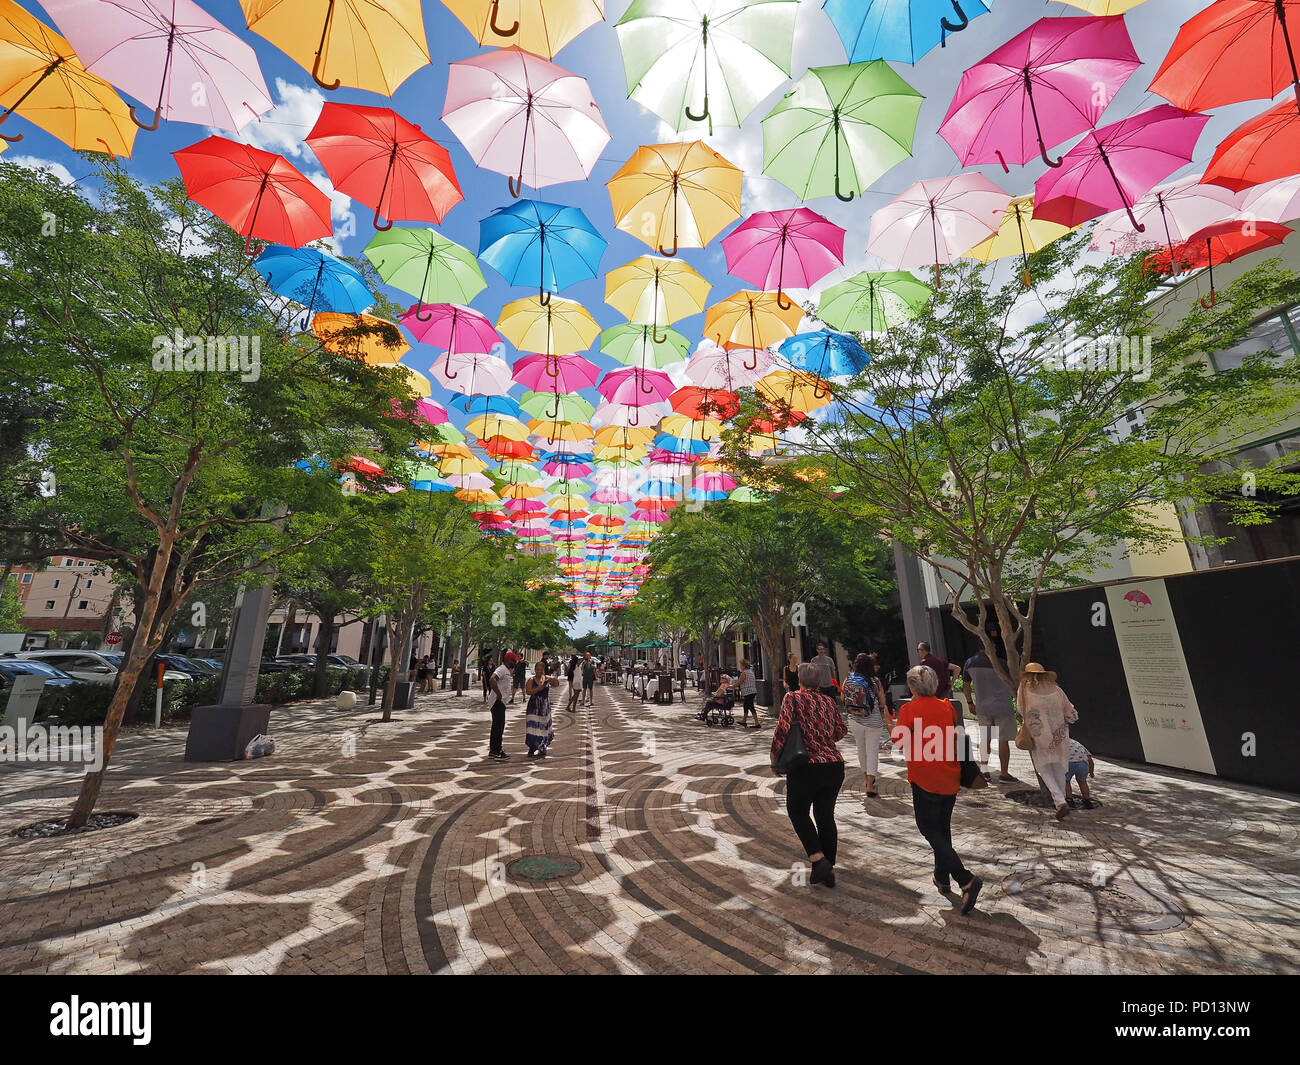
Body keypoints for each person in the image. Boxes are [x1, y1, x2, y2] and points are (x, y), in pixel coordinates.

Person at [886, 665, 983, 914]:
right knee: (942, 829)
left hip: (924, 777)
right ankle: (942, 878)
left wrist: (892, 726)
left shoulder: (908, 710)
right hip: (949, 776)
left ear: (913, 687)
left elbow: (898, 741)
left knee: (928, 829)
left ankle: (966, 879)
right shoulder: (947, 706)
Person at [770, 662, 847, 888]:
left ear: (800, 680)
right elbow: (840, 730)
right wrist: (824, 737)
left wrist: (775, 759)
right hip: (833, 765)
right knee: (825, 816)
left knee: (797, 811)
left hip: (805, 766)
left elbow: (782, 730)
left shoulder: (792, 698)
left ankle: (818, 858)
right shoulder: (829, 702)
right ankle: (827, 868)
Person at [1016, 662, 1078, 820]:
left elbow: (1020, 709)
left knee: (1044, 769)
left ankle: (1059, 801)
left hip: (1039, 733)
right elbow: (1070, 712)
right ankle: (1062, 801)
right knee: (1059, 767)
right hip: (1060, 734)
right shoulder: (1056, 690)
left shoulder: (1025, 689)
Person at [962, 646, 1019, 784]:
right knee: (1003, 740)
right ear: (992, 647)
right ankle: (1004, 774)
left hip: (983, 707)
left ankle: (984, 771)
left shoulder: (970, 663)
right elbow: (1013, 682)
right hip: (1002, 706)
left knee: (985, 738)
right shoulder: (1002, 663)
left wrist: (970, 702)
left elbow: (966, 685)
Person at [843, 652, 888, 799]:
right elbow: (882, 702)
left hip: (854, 720)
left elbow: (843, 697)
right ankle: (870, 785)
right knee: (872, 751)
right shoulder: (875, 681)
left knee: (861, 750)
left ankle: (866, 779)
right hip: (873, 721)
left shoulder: (849, 678)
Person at [524, 659, 560, 758]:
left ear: (544, 670)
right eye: (537, 669)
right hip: (534, 705)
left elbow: (556, 684)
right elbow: (528, 691)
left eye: (541, 670)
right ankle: (532, 747)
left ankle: (542, 746)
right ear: (535, 670)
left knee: (543, 726)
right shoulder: (531, 680)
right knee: (532, 726)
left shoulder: (547, 678)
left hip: (544, 705)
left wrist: (553, 679)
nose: (539, 671)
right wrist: (539, 688)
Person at [487, 653, 517, 760]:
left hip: (501, 702)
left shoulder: (506, 671)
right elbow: (492, 679)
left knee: (499, 727)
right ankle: (496, 750)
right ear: (508, 660)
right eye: (513, 661)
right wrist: (498, 693)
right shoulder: (502, 669)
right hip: (497, 702)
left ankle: (495, 750)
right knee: (498, 727)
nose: (515, 663)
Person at [1064, 737, 1097, 808]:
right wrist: (1091, 772)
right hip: (1083, 763)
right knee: (1082, 782)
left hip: (1069, 762)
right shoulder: (1077, 743)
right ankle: (1087, 801)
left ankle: (1069, 800)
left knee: (1066, 781)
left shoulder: (1060, 743)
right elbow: (1090, 759)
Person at [736, 659, 760, 728]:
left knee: (750, 707)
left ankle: (757, 723)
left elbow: (739, 682)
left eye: (740, 665)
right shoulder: (751, 672)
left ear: (743, 666)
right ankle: (744, 721)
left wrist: (732, 686)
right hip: (752, 691)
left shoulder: (744, 673)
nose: (740, 667)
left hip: (748, 692)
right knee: (746, 706)